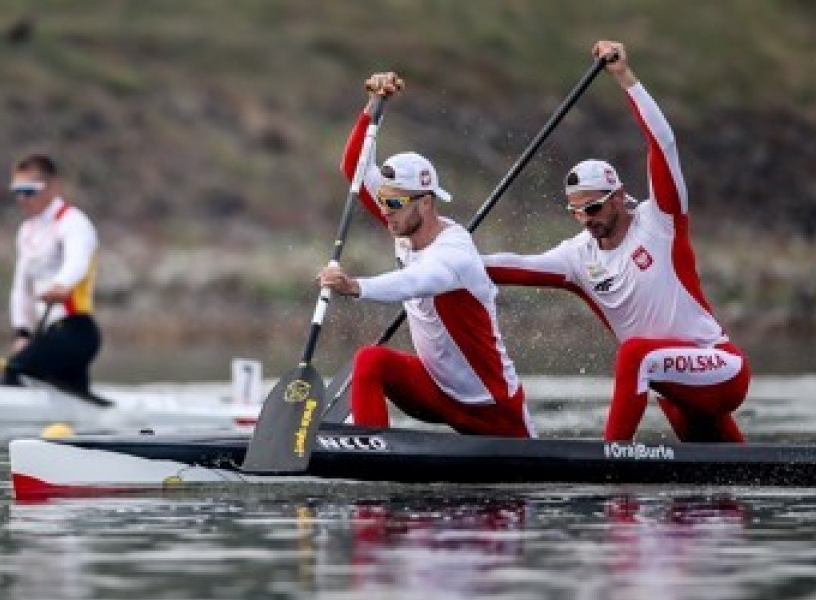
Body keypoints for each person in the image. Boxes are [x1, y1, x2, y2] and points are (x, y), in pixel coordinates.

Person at [483, 41, 750, 442]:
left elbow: (663, 144)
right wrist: (435, 261)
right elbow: (507, 264)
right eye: (576, 212)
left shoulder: (659, 221)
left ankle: (612, 457)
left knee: (635, 355)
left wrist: (626, 79)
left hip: (720, 370)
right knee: (725, 482)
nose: (585, 220)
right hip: (674, 390)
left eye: (592, 209)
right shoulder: (577, 257)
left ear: (619, 198)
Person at [317, 71, 534, 438]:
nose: (385, 211)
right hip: (437, 394)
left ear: (427, 201)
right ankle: (371, 457)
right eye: (383, 200)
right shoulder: (402, 224)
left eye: (395, 203)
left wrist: (355, 286)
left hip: (494, 409)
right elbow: (355, 167)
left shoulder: (455, 252)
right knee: (370, 361)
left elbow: (417, 281)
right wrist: (374, 103)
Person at [2, 154, 101, 394]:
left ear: (53, 187)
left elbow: (78, 260)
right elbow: (21, 288)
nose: (22, 199)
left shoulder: (73, 222)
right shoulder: (26, 231)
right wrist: (23, 332)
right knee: (70, 397)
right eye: (17, 191)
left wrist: (62, 285)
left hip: (76, 331)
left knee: (14, 371)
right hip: (48, 331)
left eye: (29, 191)